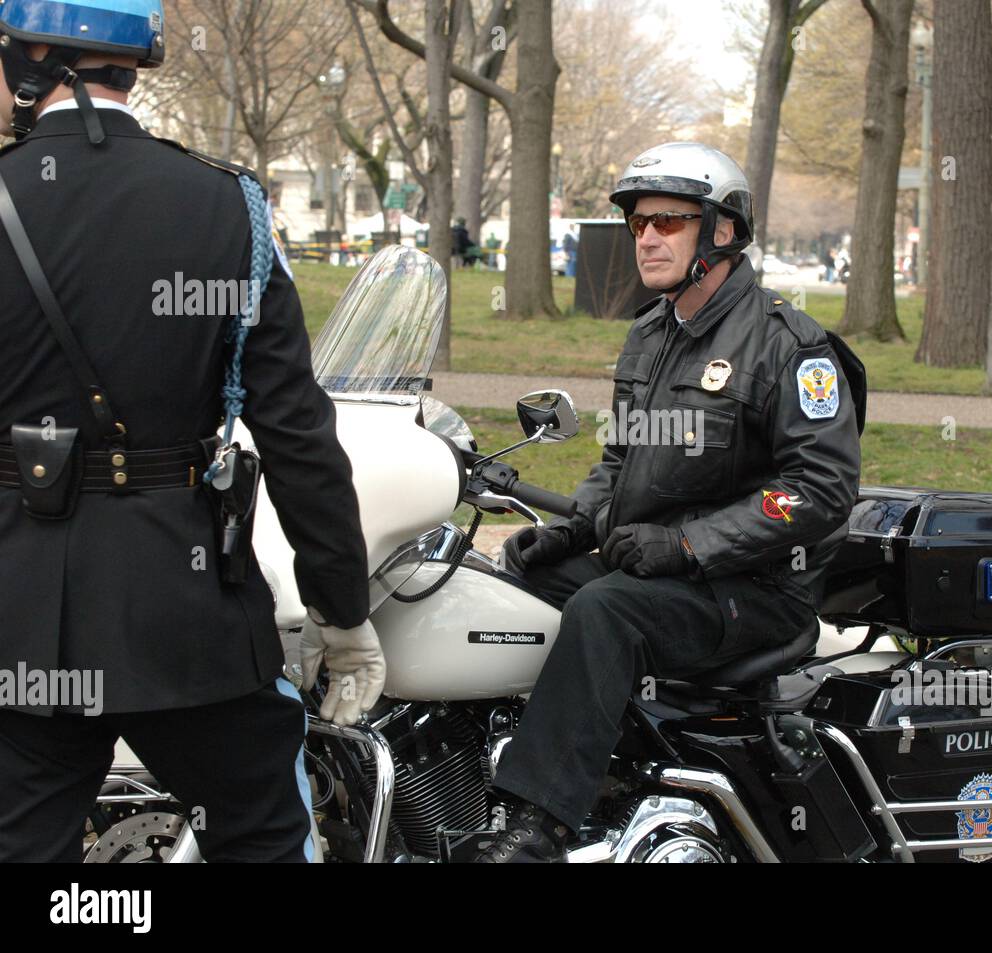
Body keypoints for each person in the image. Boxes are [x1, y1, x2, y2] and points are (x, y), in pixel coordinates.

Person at [0, 0, 382, 862]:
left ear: (33, 61)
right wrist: (342, 611)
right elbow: (297, 437)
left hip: (21, 625)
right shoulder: (231, 207)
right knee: (267, 833)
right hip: (188, 616)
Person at [473, 141, 864, 862]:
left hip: (756, 589)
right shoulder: (651, 335)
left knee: (604, 610)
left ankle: (536, 827)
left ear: (720, 231)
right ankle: (484, 771)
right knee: (501, 581)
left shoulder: (790, 346)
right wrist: (570, 529)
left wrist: (689, 545)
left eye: (668, 221)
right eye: (639, 223)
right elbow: (620, 460)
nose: (646, 237)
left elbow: (820, 490)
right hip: (664, 572)